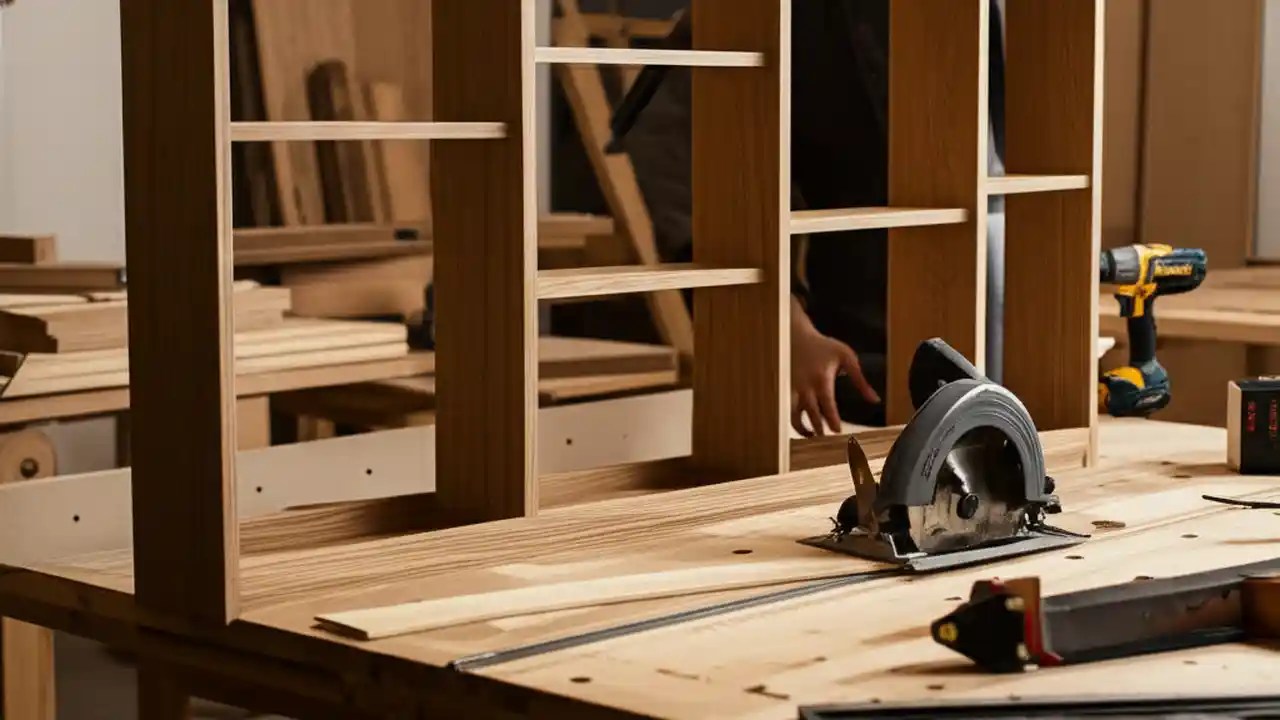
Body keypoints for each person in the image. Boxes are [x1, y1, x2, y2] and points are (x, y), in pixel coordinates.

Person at [616, 0, 1006, 437]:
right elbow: (681, 170)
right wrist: (785, 322)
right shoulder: (771, 17)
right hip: (857, 353)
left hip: (1004, 334)